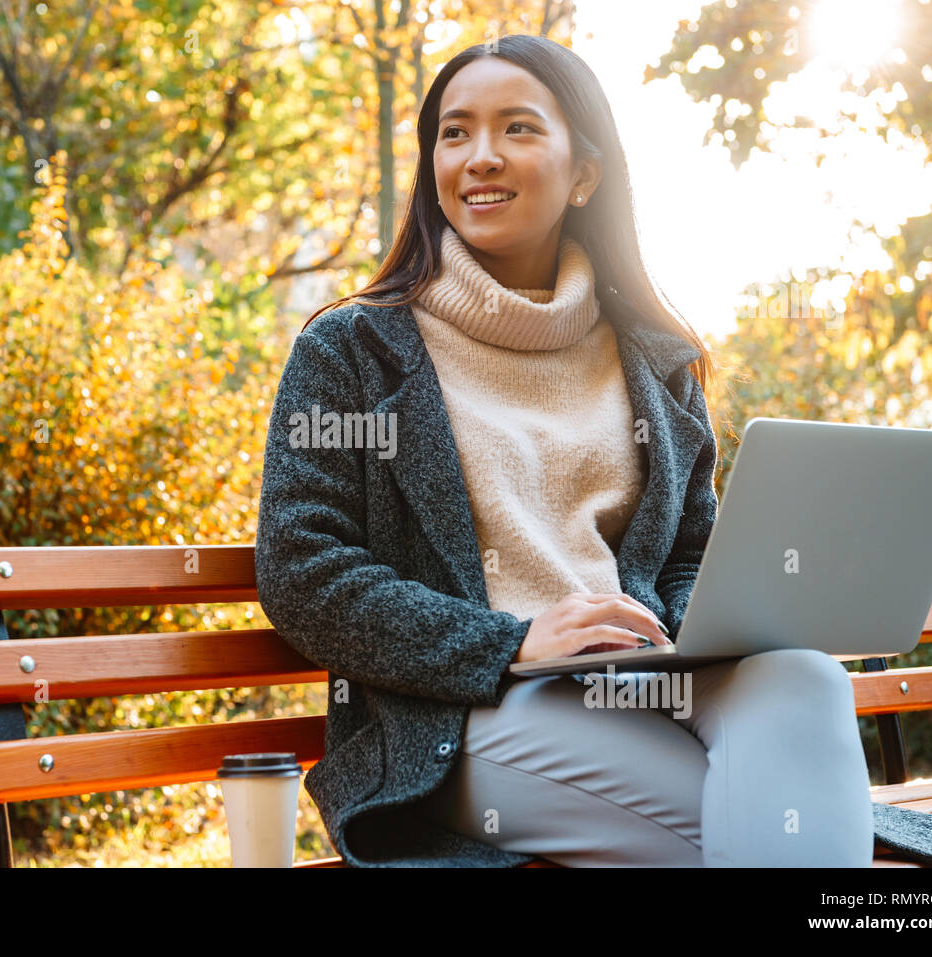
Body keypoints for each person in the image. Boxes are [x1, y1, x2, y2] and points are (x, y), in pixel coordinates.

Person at [254, 34, 874, 867]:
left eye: (517, 129)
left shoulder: (657, 359)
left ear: (584, 173)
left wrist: (688, 628)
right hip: (468, 713)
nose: (479, 157)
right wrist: (506, 643)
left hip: (645, 685)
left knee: (806, 680)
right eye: (454, 132)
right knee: (762, 829)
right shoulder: (354, 350)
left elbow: (690, 554)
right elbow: (303, 569)